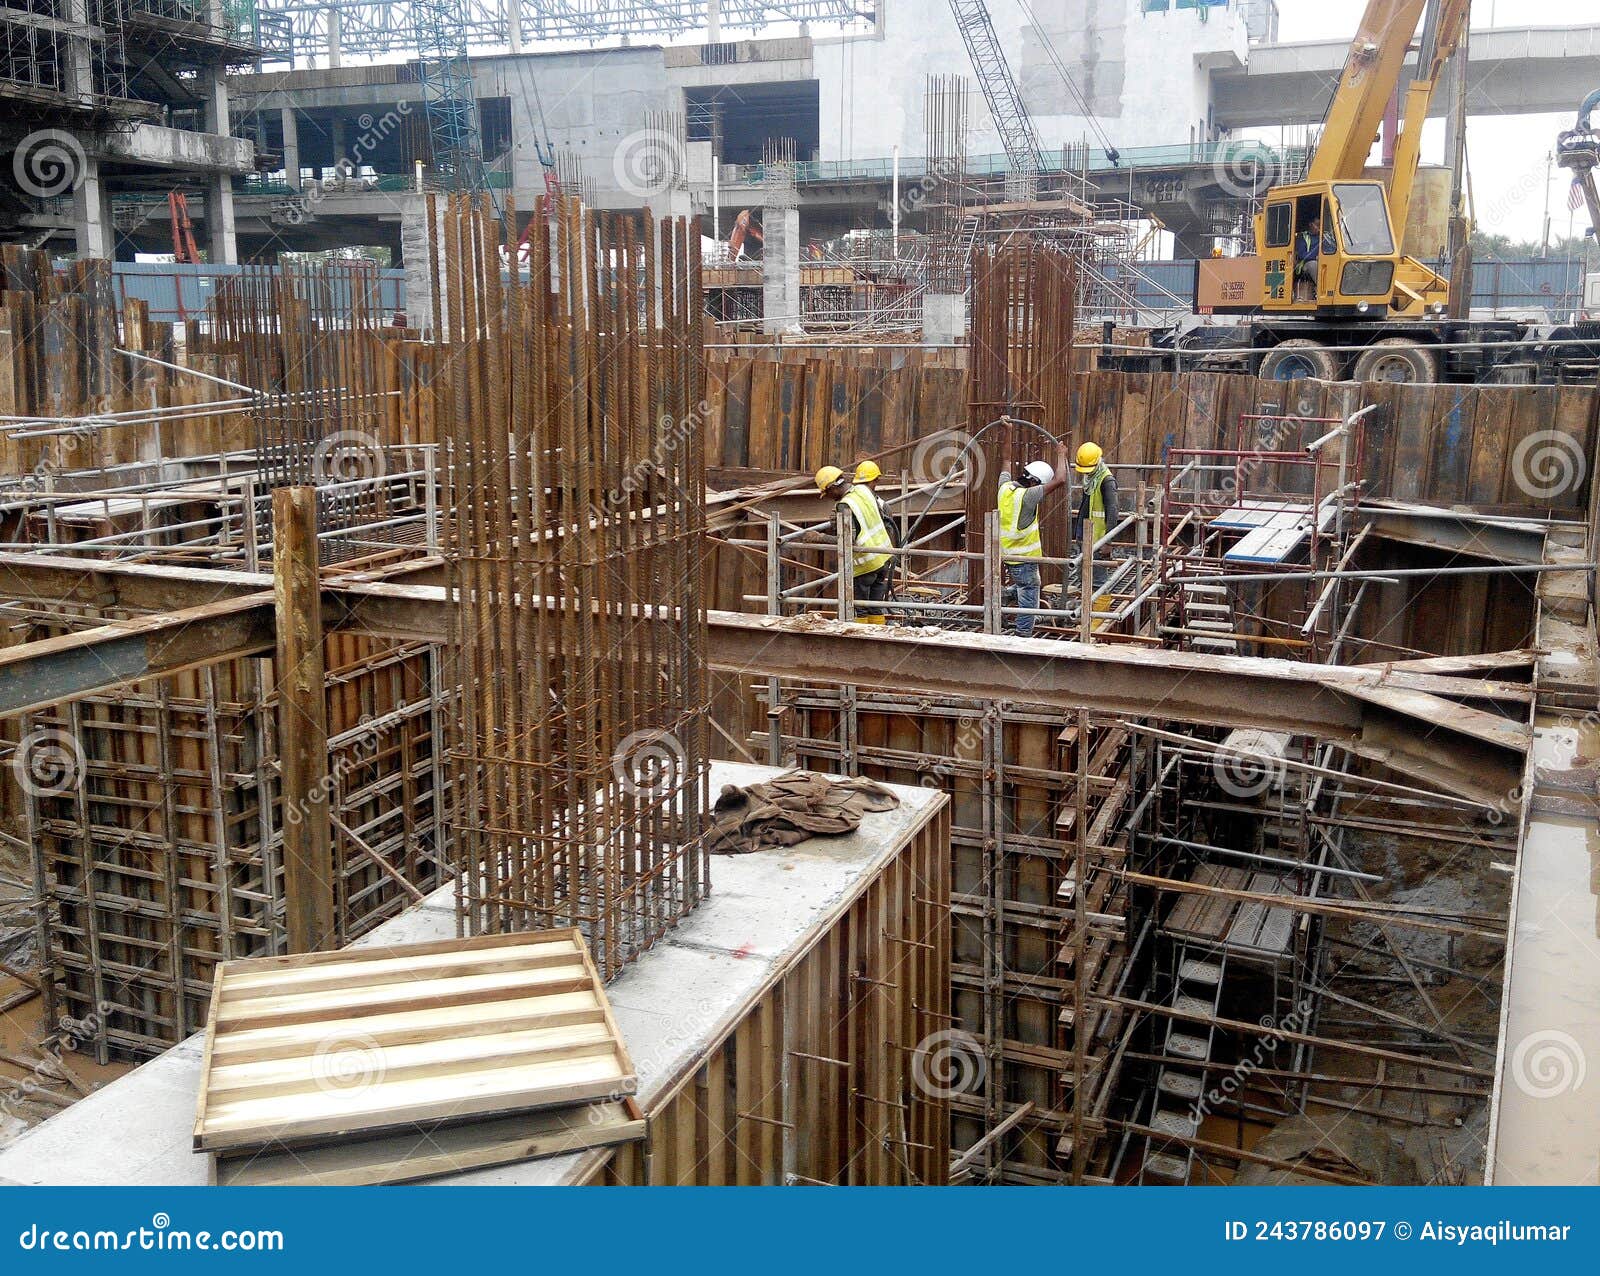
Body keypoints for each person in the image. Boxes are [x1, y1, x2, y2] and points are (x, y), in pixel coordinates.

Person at [997, 447, 1068, 637]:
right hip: (1025, 559)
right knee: (1029, 595)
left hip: (1009, 557)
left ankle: (1003, 596)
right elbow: (1060, 480)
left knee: (1023, 586)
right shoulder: (1028, 496)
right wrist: (1061, 453)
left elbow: (1006, 460)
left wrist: (1008, 430)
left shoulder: (1004, 488)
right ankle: (1023, 635)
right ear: (1035, 482)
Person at [815, 464, 894, 623]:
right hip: (884, 558)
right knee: (875, 606)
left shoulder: (845, 505)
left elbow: (848, 541)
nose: (829, 497)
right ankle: (876, 639)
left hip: (866, 564)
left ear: (832, 488)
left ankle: (861, 643)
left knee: (860, 610)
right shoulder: (863, 490)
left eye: (827, 493)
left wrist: (819, 537)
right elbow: (885, 512)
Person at [1073, 442, 1119, 554]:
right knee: (1083, 568)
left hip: (1098, 539)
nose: (1087, 472)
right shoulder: (1090, 479)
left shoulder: (1107, 481)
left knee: (1096, 570)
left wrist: (1107, 541)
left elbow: (1112, 511)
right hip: (1085, 533)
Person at [1294, 213, 1335, 301]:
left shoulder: (1325, 236)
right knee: (1313, 265)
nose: (1319, 228)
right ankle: (1322, 290)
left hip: (1324, 261)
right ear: (1310, 224)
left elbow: (1332, 249)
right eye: (1317, 225)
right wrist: (1316, 257)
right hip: (1306, 263)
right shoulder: (1303, 236)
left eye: (1320, 225)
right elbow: (1301, 254)